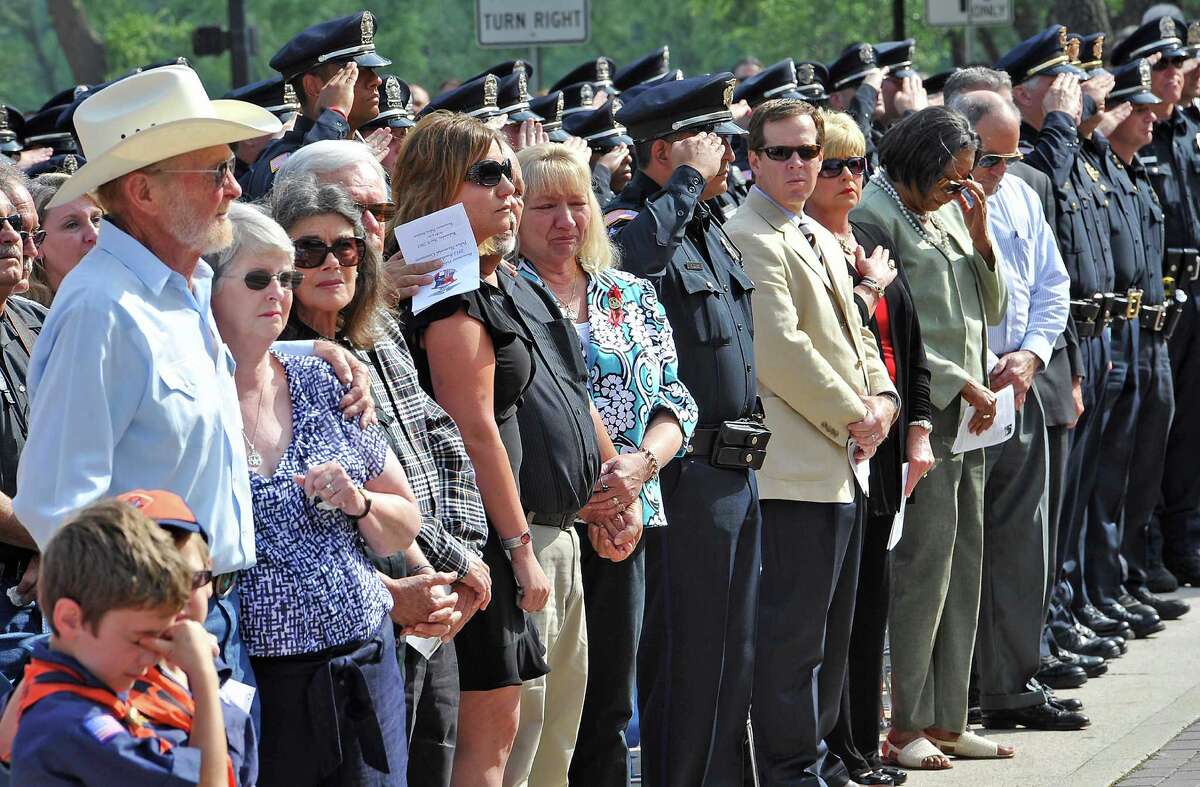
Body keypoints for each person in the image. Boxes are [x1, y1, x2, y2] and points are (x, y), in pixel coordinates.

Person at [11, 64, 374, 726]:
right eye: (213, 172)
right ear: (144, 191)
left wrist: (315, 349)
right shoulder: (101, 308)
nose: (235, 188)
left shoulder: (174, 287)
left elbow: (186, 388)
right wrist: (136, 643)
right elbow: (58, 506)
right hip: (148, 643)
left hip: (202, 624)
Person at [271, 169, 489, 787]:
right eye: (307, 250)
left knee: (431, 756)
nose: (332, 262)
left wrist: (457, 558)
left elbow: (442, 440)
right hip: (355, 604)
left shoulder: (377, 333)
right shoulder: (269, 365)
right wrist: (419, 576)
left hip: (424, 573)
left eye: (346, 247)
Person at [209, 198, 421, 785]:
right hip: (257, 680)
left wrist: (360, 503)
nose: (278, 293)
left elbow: (406, 518)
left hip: (363, 660)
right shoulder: (188, 397)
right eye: (257, 279)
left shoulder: (325, 379)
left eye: (285, 278)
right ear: (207, 288)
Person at [724, 98, 899, 787]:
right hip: (794, 470)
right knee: (794, 640)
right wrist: (855, 413)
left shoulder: (818, 234)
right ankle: (790, 769)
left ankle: (820, 762)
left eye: (809, 152)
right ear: (751, 159)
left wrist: (882, 402)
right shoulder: (751, 233)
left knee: (832, 633)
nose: (800, 165)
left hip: (841, 462)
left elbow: (859, 335)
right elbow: (779, 349)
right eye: (782, 153)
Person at [515, 143, 696, 787]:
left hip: (629, 517)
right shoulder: (506, 294)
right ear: (515, 214)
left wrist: (641, 467)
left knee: (610, 703)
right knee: (546, 705)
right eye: (545, 207)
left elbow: (676, 397)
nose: (565, 220)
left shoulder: (633, 293)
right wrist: (599, 488)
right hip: (548, 520)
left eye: (577, 204)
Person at [607, 73, 765, 787]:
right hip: (684, 479)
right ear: (665, 150)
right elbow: (631, 268)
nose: (726, 156)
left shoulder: (704, 223)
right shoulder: (634, 224)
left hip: (735, 472)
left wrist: (692, 189)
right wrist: (683, 184)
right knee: (686, 663)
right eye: (709, 144)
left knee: (732, 660)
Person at [391, 112, 551, 787]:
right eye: (489, 175)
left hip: (487, 536)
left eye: (510, 171)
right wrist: (517, 550)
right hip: (473, 543)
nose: (511, 187)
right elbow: (474, 430)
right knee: (482, 748)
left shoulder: (479, 279)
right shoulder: (450, 300)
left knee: (497, 739)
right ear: (438, 187)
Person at [850, 106, 1009, 769]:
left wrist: (979, 234)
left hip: (970, 412)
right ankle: (905, 722)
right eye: (951, 177)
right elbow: (891, 326)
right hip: (927, 408)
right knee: (923, 567)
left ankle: (948, 716)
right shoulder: (876, 215)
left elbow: (992, 305)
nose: (960, 189)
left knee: (965, 563)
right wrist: (954, 381)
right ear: (918, 162)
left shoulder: (949, 212)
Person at [947, 90, 1085, 730]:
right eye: (990, 159)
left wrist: (1032, 355)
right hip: (959, 392)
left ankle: (1013, 682)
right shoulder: (934, 203)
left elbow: (1052, 288)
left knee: (1023, 542)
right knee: (958, 546)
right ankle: (959, 690)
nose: (1002, 172)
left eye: (1011, 156)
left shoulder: (1023, 195)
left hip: (1016, 388)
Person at [806, 109, 932, 787]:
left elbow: (911, 346)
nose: (849, 178)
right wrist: (864, 289)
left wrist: (916, 426)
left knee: (871, 599)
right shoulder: (802, 244)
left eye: (859, 164)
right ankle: (833, 749)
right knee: (834, 606)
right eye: (834, 165)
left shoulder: (874, 236)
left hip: (883, 443)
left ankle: (861, 744)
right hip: (833, 439)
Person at [11, 500, 229, 786]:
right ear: (70, 619)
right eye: (140, 639)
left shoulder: (78, 684)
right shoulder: (76, 724)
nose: (149, 658)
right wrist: (204, 682)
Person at [1088, 60, 1188, 621]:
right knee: (1106, 475)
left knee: (1143, 465)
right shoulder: (1102, 165)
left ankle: (1124, 577)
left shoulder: (1131, 171)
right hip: (1118, 333)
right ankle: (1099, 591)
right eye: (1138, 108)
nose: (1151, 119)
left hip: (1151, 330)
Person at [1113, 18, 1200, 590]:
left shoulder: (1188, 129)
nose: (1172, 75)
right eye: (1159, 65)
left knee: (1190, 418)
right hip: (1156, 293)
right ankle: (1153, 544)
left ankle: (1187, 538)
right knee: (1155, 424)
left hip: (1195, 285)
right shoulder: (1133, 140)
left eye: (1177, 63)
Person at [241, 11, 390, 200]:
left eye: (374, 70)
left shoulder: (364, 151)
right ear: (314, 86)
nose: (376, 80)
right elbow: (295, 197)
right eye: (357, 71)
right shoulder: (282, 158)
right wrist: (334, 115)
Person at [26, 173, 103, 303]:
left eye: (96, 219)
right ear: (36, 242)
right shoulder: (26, 319)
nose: (94, 235)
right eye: (72, 225)